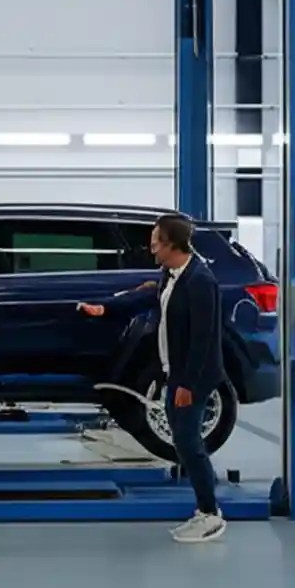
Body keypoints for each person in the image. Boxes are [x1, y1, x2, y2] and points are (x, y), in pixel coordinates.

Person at [78, 214, 227, 543]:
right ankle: (204, 510)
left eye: (156, 241)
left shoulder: (200, 280)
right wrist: (105, 308)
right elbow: (146, 295)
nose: (151, 247)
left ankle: (211, 514)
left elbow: (204, 338)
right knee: (184, 443)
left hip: (194, 376)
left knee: (189, 444)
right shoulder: (170, 275)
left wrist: (187, 383)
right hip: (175, 372)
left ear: (173, 243)